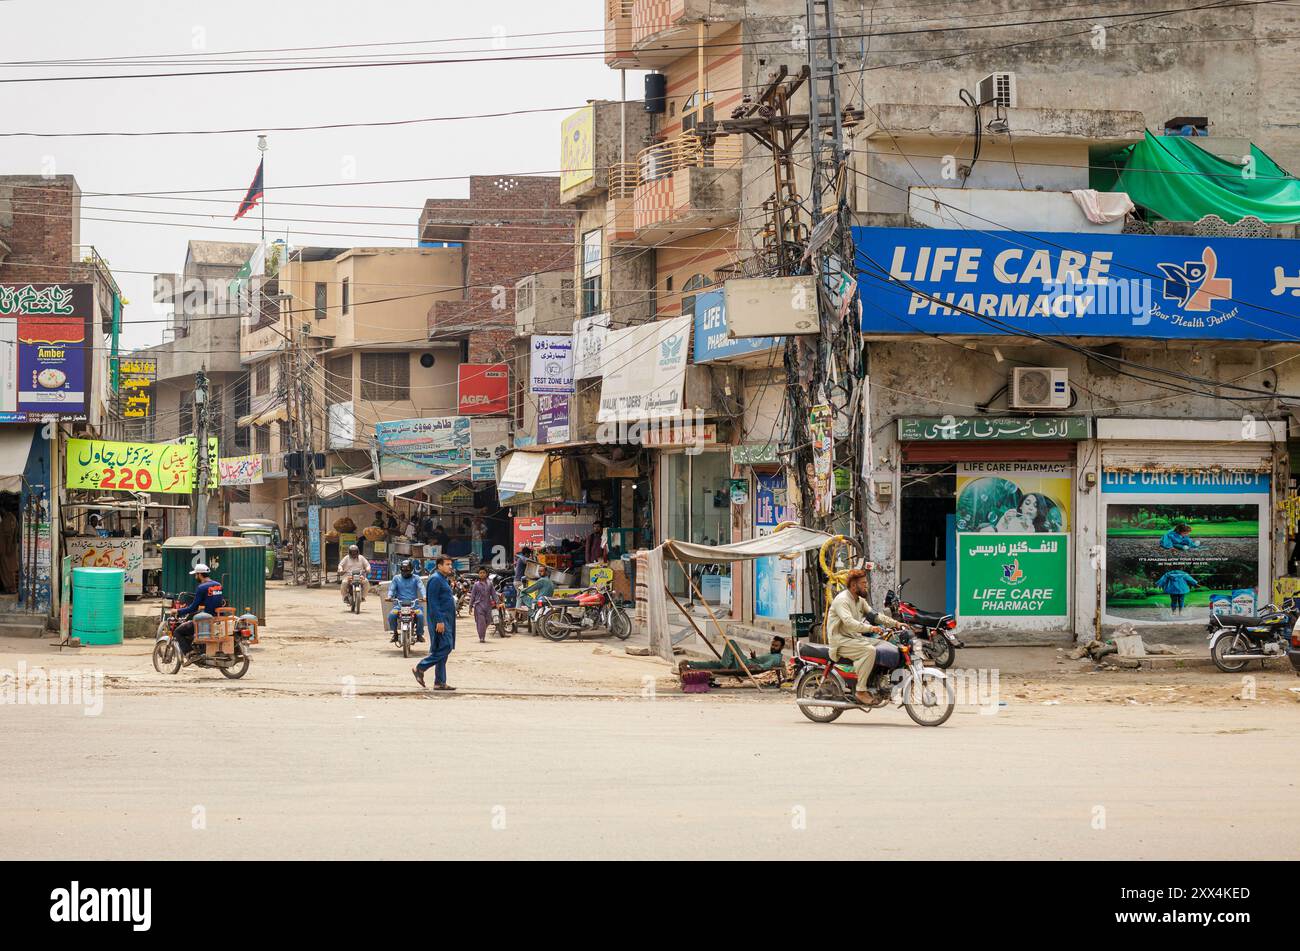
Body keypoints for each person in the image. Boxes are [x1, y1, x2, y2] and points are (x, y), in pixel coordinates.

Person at [827, 568, 904, 703]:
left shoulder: (859, 600)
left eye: (866, 583)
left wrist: (896, 624)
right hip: (840, 640)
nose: (866, 585)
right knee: (869, 651)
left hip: (853, 637)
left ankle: (876, 680)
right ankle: (861, 691)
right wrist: (871, 628)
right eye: (863, 583)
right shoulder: (842, 600)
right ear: (853, 585)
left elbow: (875, 616)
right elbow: (849, 622)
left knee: (885, 645)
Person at [415, 555, 457, 690]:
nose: (450, 567)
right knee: (446, 647)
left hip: (447, 619)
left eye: (451, 564)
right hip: (440, 619)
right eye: (447, 564)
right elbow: (432, 602)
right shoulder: (435, 579)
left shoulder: (443, 579)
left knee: (442, 650)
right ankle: (421, 667)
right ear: (439, 566)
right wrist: (439, 620)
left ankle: (439, 682)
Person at [173, 564, 226, 659]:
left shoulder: (201, 587)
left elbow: (193, 608)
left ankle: (190, 653)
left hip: (207, 620)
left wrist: (178, 611)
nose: (195, 576)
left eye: (196, 574)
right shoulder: (218, 585)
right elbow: (214, 600)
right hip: (219, 617)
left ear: (200, 574)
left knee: (178, 632)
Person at [679, 635, 786, 674]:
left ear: (781, 648)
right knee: (713, 663)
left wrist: (755, 666)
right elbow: (761, 662)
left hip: (746, 665)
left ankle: (724, 664)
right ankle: (690, 664)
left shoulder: (776, 657)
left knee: (731, 643)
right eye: (772, 645)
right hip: (748, 662)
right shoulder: (771, 654)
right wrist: (755, 658)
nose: (773, 647)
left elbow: (766, 665)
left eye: (776, 646)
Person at [386, 559, 425, 645]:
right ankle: (395, 633)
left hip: (414, 605)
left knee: (420, 616)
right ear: (401, 569)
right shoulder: (396, 578)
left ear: (411, 570)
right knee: (391, 615)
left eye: (407, 570)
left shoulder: (416, 578)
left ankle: (419, 635)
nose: (405, 572)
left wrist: (424, 596)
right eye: (403, 570)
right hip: (400, 605)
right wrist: (389, 596)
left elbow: (421, 587)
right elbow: (391, 589)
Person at [469, 566, 500, 643]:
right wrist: (470, 606)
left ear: (486, 574)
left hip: (488, 605)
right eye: (480, 573)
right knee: (481, 622)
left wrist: (497, 603)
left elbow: (494, 594)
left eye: (483, 573)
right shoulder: (476, 585)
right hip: (479, 605)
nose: (482, 574)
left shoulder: (490, 584)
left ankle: (481, 631)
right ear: (478, 574)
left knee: (488, 621)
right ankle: (481, 637)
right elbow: (472, 596)